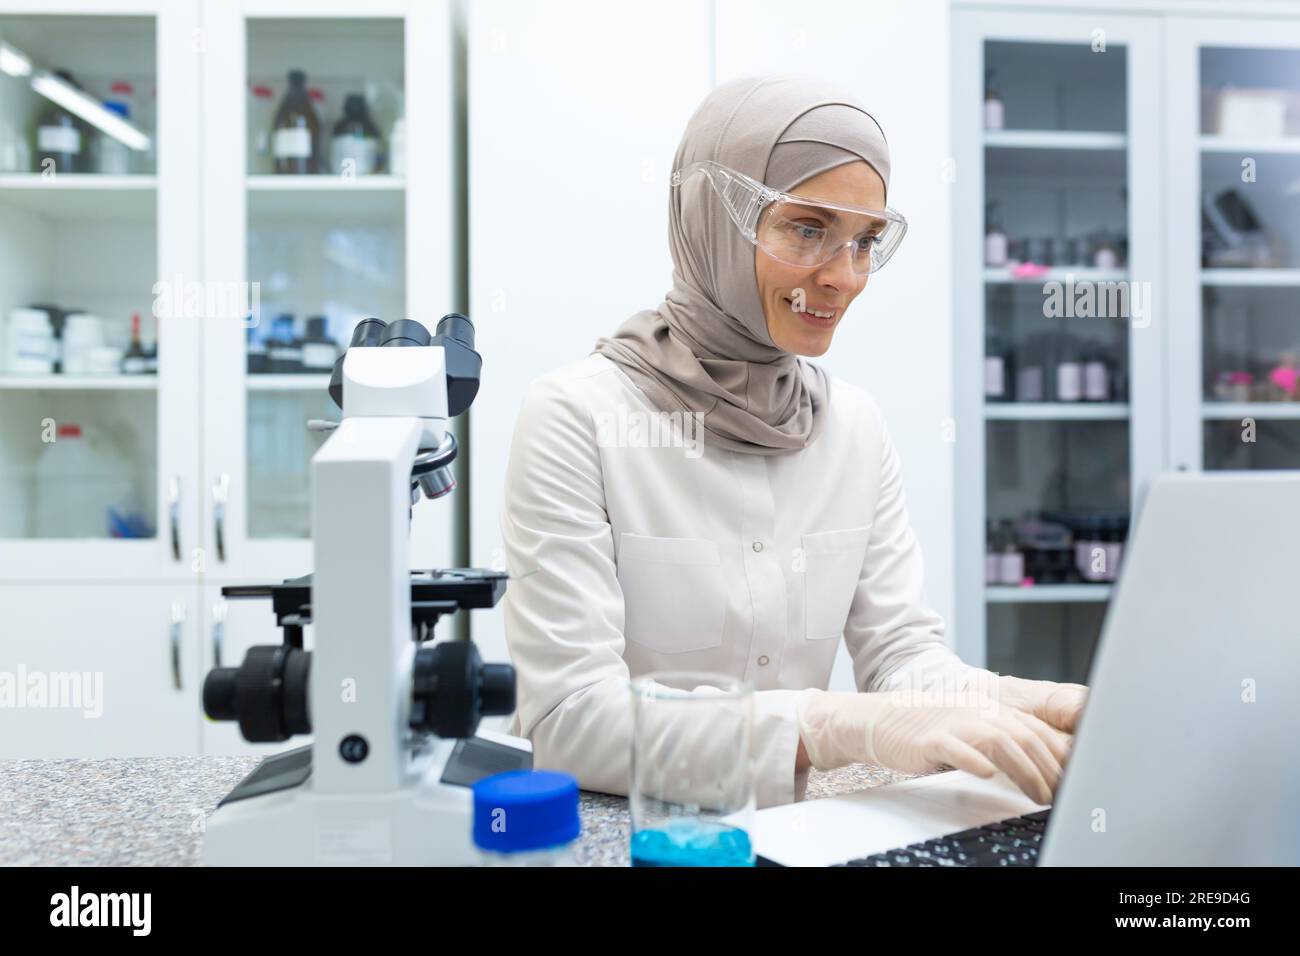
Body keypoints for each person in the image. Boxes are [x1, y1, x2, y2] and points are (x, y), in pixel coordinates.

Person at [500, 74, 1086, 809]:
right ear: (710, 216)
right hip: (634, 843)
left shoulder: (855, 429)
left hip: (799, 842)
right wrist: (831, 722)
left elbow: (902, 657)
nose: (843, 277)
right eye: (807, 229)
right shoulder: (577, 416)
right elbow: (569, 720)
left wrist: (1037, 704)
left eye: (866, 241)